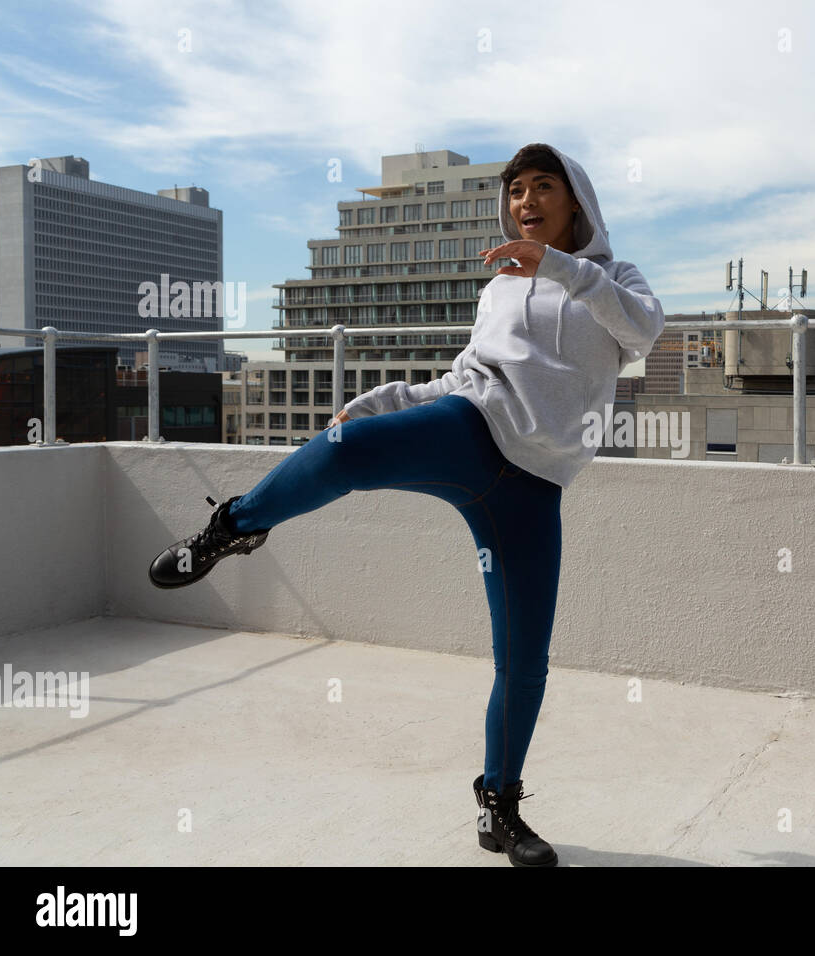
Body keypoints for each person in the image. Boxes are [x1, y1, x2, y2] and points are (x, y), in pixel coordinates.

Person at [147, 143, 666, 867]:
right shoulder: (499, 291)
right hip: (475, 430)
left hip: (533, 488)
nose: (526, 201)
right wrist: (378, 401)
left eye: (542, 187)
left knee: (524, 661)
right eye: (515, 190)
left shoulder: (611, 277)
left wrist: (557, 267)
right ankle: (230, 528)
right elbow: (463, 376)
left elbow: (642, 332)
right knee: (347, 449)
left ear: (575, 199)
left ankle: (500, 810)